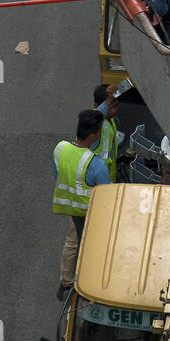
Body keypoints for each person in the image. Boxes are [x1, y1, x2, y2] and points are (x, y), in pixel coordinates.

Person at [53, 110, 112, 299]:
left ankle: (65, 282)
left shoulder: (60, 148)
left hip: (70, 207)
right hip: (90, 213)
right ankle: (91, 284)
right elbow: (108, 194)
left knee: (72, 242)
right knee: (93, 245)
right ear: (94, 135)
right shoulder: (95, 164)